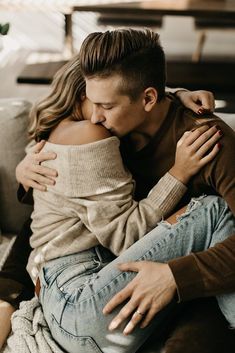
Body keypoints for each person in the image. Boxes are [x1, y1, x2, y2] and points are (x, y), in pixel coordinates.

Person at [0, 34, 230, 352]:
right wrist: (179, 173)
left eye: (105, 105)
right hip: (82, 300)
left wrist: (176, 96)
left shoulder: (101, 133)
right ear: (79, 94)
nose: (97, 116)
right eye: (94, 103)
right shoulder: (90, 136)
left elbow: (137, 93)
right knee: (214, 209)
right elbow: (124, 237)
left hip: (74, 302)